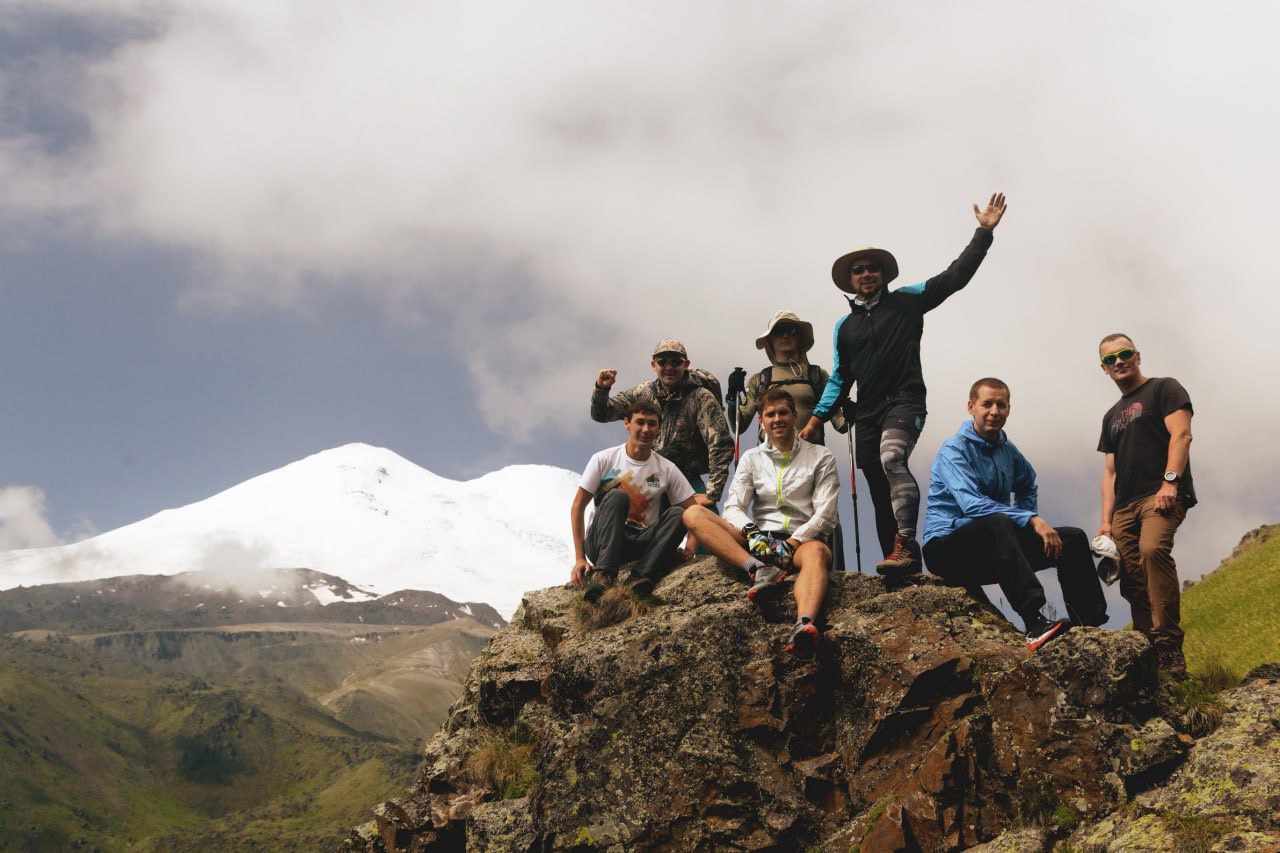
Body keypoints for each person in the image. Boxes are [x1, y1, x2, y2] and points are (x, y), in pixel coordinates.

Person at [801, 193, 1008, 576]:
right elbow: (841, 377)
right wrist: (817, 418)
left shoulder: (907, 301)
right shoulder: (844, 328)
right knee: (878, 487)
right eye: (859, 270)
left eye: (873, 268)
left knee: (892, 458)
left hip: (905, 401)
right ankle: (896, 562)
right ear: (850, 279)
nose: (866, 274)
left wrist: (983, 232)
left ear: (884, 275)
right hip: (867, 411)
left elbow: (955, 277)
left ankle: (906, 544)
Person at [922, 378, 1108, 651]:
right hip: (947, 550)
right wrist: (1030, 519)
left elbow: (1027, 483)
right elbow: (972, 505)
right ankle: (1034, 622)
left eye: (1001, 405)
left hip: (995, 547)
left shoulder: (1008, 452)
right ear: (971, 407)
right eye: (987, 404)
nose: (994, 411)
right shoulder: (953, 449)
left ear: (1009, 409)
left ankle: (1087, 625)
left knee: (1072, 539)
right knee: (998, 522)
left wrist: (1027, 518)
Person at [683, 388, 839, 656]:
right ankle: (757, 569)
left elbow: (825, 513)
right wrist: (753, 533)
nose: (777, 419)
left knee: (817, 552)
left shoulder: (821, 456)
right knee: (693, 514)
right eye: (770, 414)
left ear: (794, 416)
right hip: (759, 539)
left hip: (800, 541)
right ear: (761, 421)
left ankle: (804, 625)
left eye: (782, 413)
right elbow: (733, 506)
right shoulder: (751, 458)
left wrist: (794, 541)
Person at [1096, 334, 1195, 677]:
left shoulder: (1164, 388)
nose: (1119, 361)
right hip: (1123, 506)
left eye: (1125, 354)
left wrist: (1171, 481)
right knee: (1132, 578)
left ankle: (1168, 645)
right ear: (1104, 368)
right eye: (1111, 359)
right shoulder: (1110, 416)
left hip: (1160, 494)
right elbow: (1109, 472)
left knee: (1153, 551)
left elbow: (1181, 435)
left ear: (1137, 356)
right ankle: (1147, 650)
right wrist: (1106, 522)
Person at [570, 400, 712, 602]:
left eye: (652, 424)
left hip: (639, 540)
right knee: (618, 496)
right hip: (602, 542)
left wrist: (689, 548)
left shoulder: (666, 468)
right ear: (627, 423)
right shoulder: (604, 459)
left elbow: (693, 512)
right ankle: (605, 576)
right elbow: (578, 507)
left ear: (659, 428)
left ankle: (640, 577)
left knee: (679, 513)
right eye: (640, 422)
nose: (646, 429)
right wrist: (579, 558)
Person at [591, 339, 734, 507]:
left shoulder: (701, 397)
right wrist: (601, 389)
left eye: (676, 361)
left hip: (686, 477)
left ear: (686, 364)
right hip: (649, 474)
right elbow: (601, 414)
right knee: (631, 520)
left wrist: (712, 494)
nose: (669, 367)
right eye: (662, 361)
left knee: (706, 523)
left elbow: (721, 444)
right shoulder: (642, 393)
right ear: (653, 364)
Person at [725, 311, 846, 445]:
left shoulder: (817, 375)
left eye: (792, 331)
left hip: (810, 456)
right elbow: (738, 426)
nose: (785, 335)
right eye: (779, 331)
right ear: (770, 340)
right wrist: (732, 397)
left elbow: (840, 423)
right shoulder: (760, 380)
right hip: (771, 457)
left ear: (800, 338)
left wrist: (853, 411)